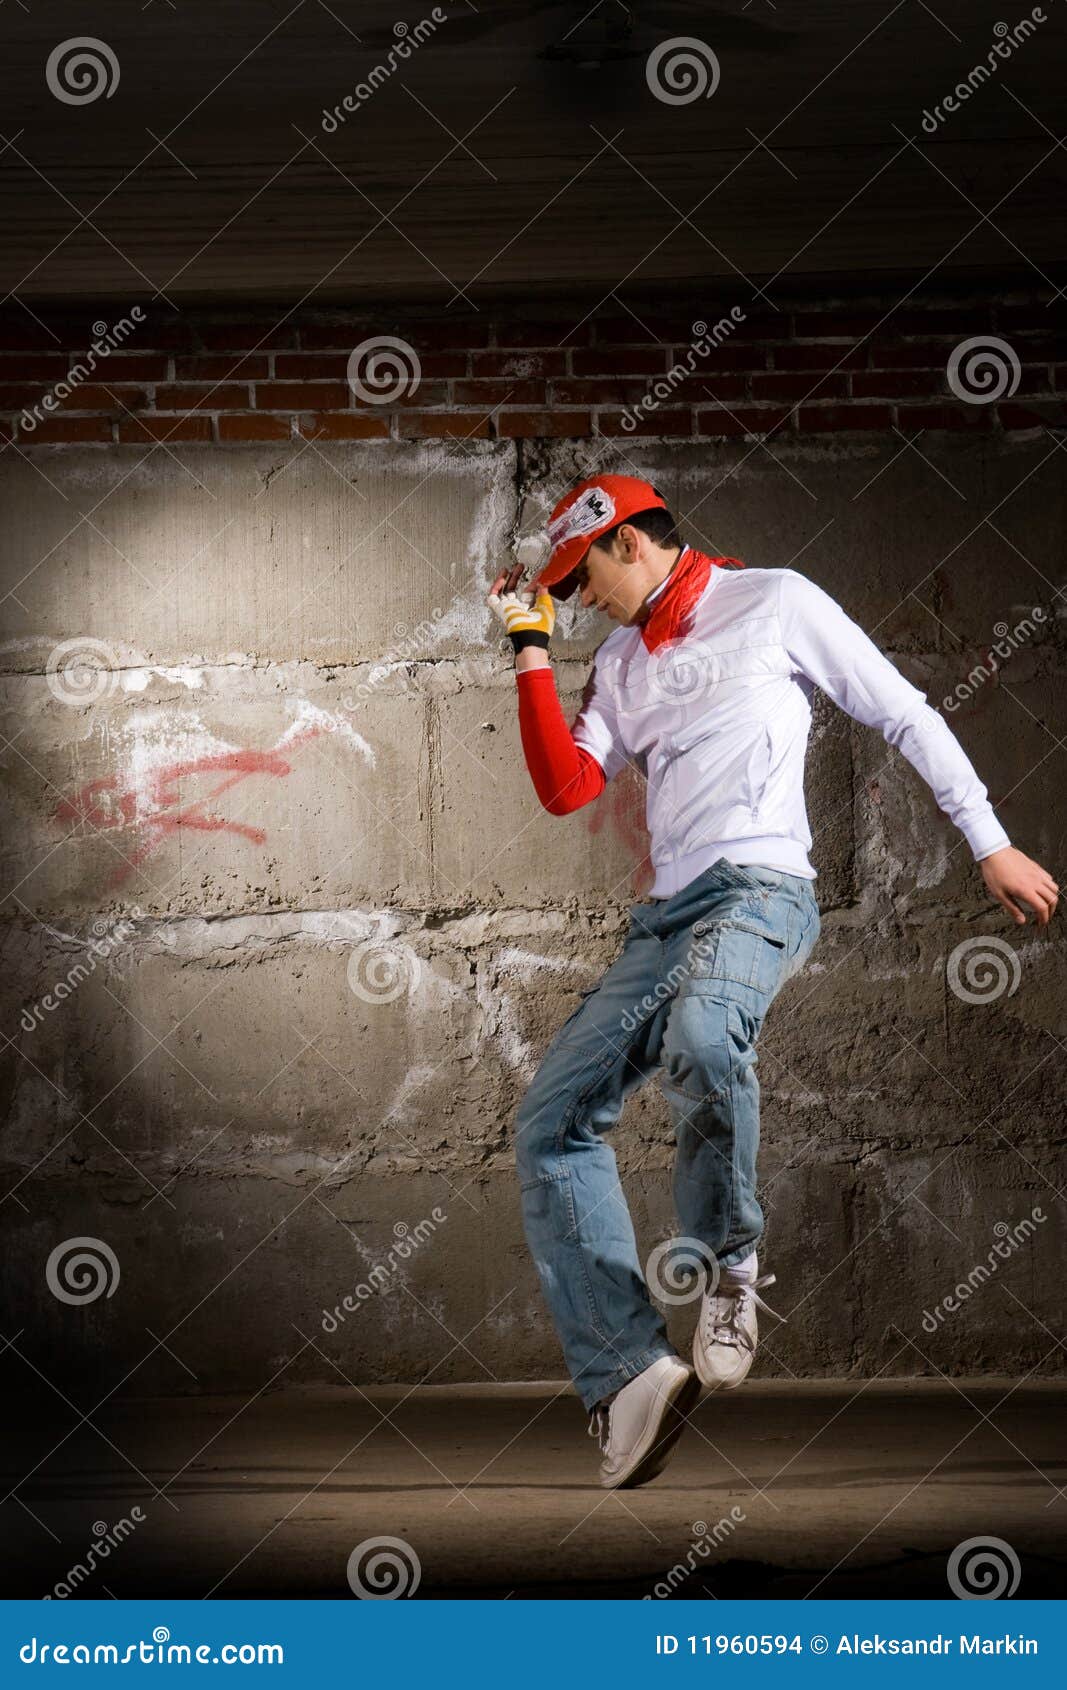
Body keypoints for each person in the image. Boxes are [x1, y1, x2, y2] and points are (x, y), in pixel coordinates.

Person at [487, 473, 1058, 1491]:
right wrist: (529, 649)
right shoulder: (618, 663)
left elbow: (900, 712)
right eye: (561, 590)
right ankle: (626, 1375)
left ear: (629, 542)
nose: (580, 600)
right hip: (664, 920)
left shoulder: (774, 600)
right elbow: (567, 787)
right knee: (548, 1124)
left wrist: (989, 842)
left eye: (582, 577)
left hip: (760, 892)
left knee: (703, 1038)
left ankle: (728, 1262)